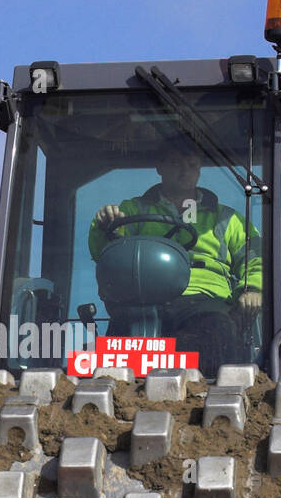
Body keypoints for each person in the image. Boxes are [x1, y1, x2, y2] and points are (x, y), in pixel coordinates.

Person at [88, 144, 262, 365]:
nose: (185, 171)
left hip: (206, 299)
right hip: (144, 297)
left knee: (217, 326)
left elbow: (254, 256)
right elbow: (106, 253)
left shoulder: (227, 218)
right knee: (122, 326)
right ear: (159, 167)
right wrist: (103, 226)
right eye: (175, 163)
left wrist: (253, 288)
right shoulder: (132, 210)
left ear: (199, 171)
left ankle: (205, 389)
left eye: (192, 165)